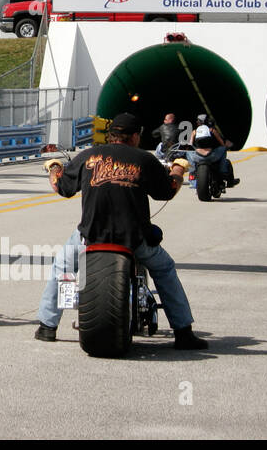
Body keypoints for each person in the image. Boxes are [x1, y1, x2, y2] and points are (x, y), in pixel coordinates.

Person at [34, 111, 209, 350]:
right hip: (133, 238)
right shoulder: (144, 160)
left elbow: (61, 187)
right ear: (135, 136)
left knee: (62, 268)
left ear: (111, 135)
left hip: (90, 236)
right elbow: (167, 191)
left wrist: (54, 167)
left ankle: (47, 327)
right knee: (165, 269)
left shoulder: (88, 156)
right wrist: (178, 168)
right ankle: (183, 332)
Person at [188, 113, 239, 187]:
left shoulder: (194, 132)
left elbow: (191, 145)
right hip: (212, 156)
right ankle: (223, 171)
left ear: (199, 122)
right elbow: (222, 144)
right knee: (223, 149)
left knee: (188, 153)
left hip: (198, 157)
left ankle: (192, 173)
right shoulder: (212, 130)